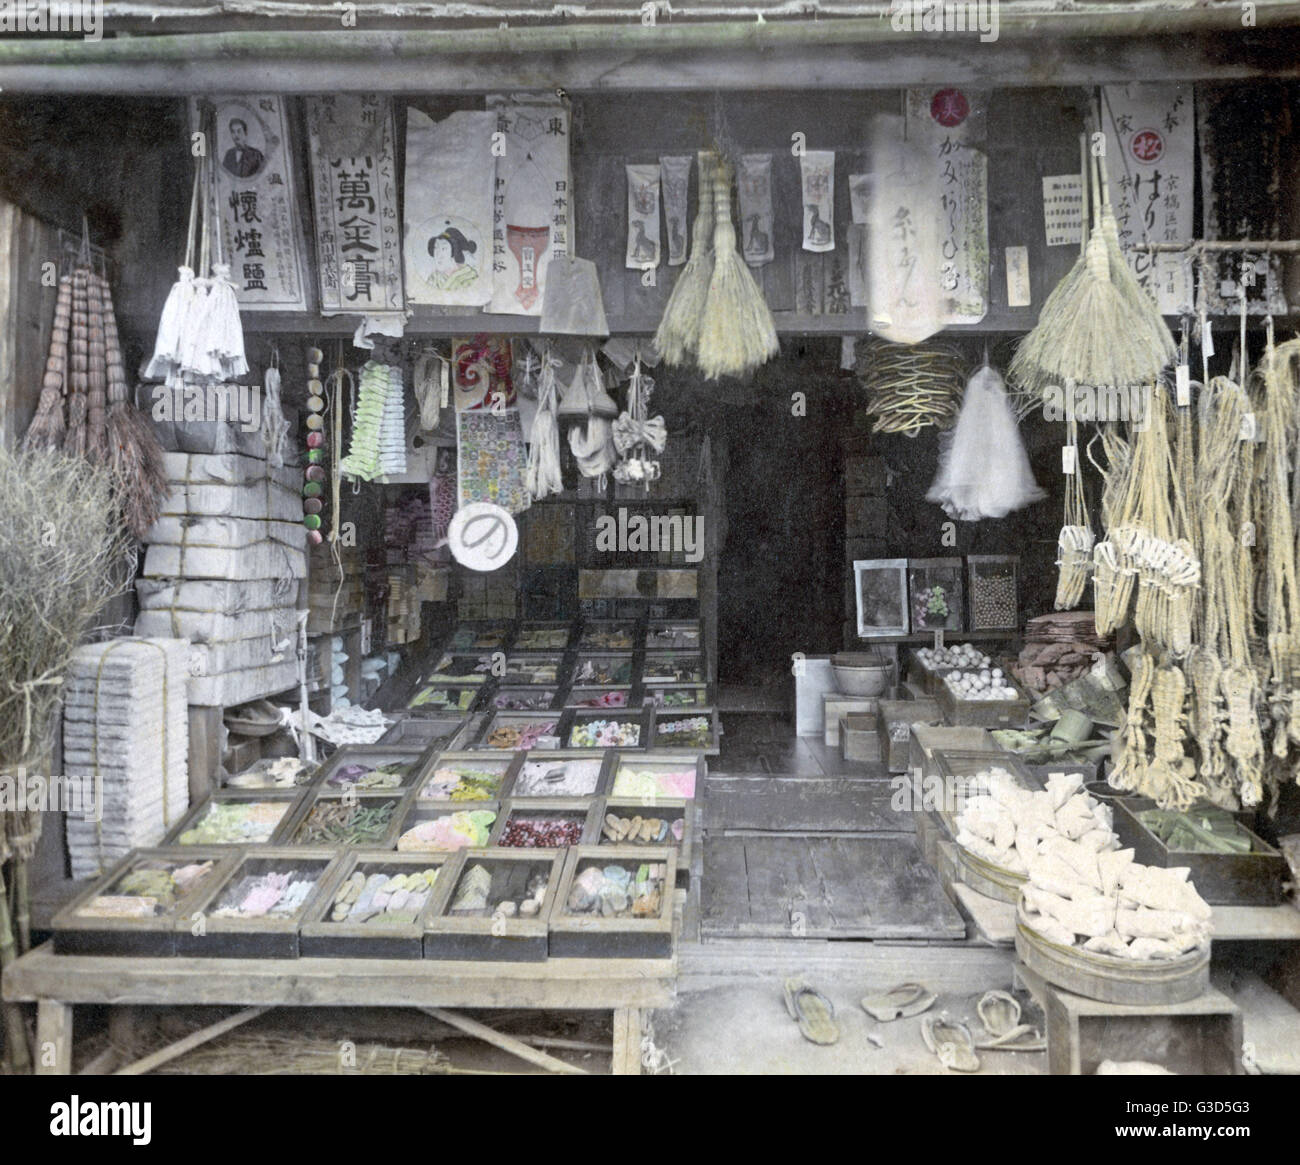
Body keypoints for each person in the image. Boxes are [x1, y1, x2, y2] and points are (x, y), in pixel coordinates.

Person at [427, 225, 479, 291]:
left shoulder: (470, 276)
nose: (438, 254)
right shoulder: (434, 278)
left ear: (454, 252)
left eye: (444, 248)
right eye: (436, 247)